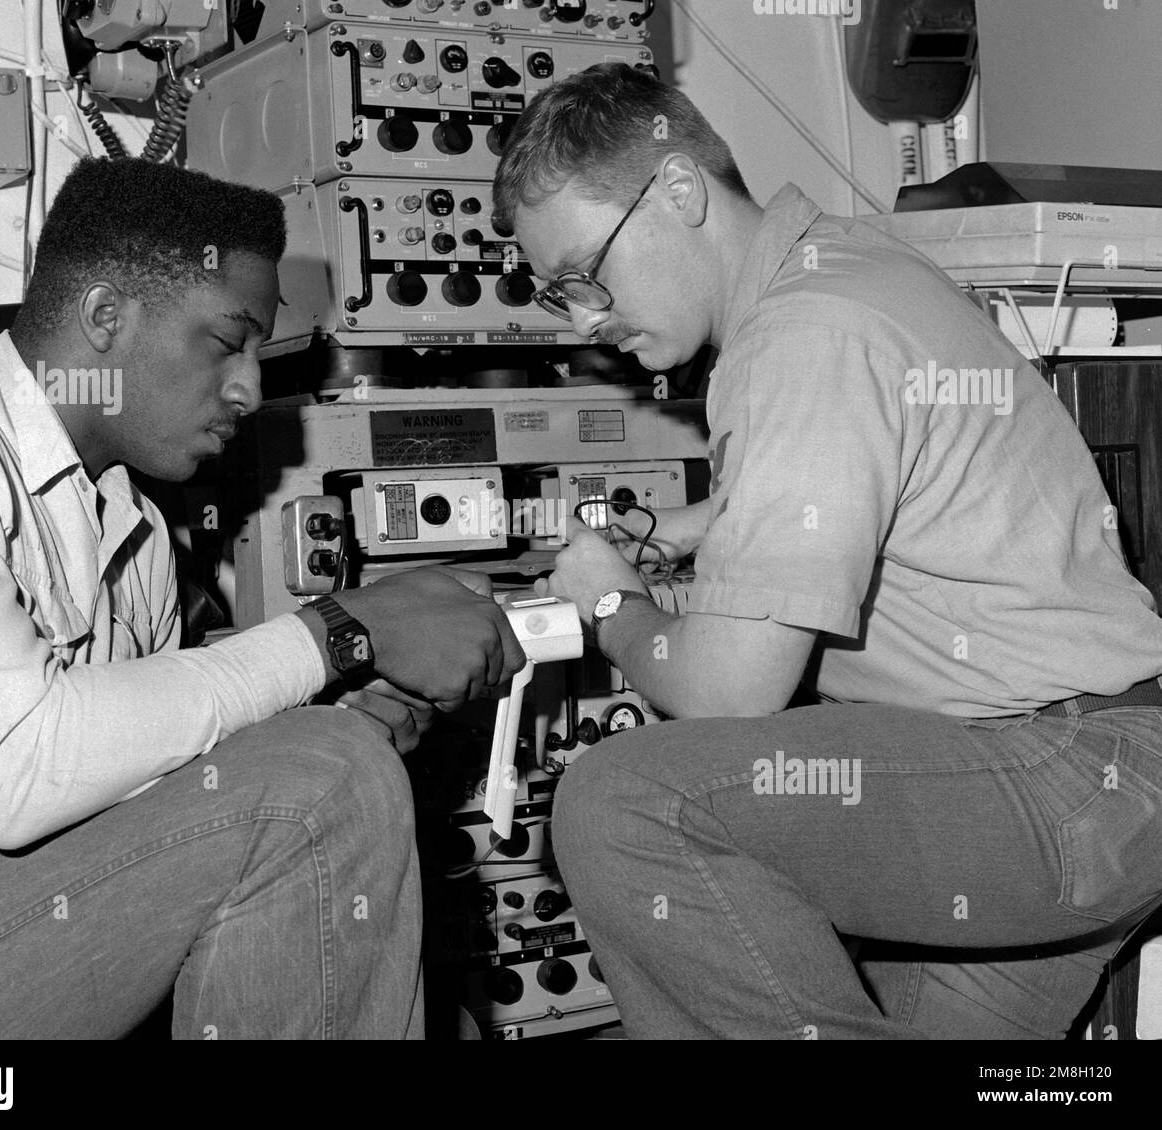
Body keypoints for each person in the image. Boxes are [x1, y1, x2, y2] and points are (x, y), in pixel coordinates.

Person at [494, 62, 1162, 1039]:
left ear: (676, 191)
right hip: (1100, 778)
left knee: (626, 799)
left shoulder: (799, 334)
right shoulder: (844, 268)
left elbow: (729, 691)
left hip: (1054, 778)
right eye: (558, 297)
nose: (587, 318)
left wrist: (608, 603)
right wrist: (682, 533)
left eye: (581, 276)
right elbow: (863, 500)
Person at [0, 157, 525, 1039]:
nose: (251, 387)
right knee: (316, 781)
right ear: (106, 316)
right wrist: (335, 630)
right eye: (227, 342)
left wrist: (328, 699)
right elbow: (17, 771)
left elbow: (133, 766)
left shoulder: (130, 527)